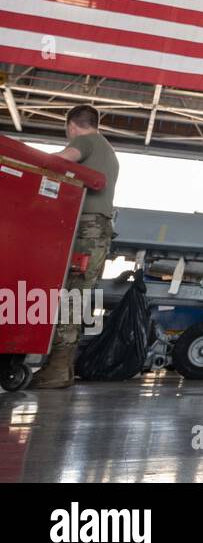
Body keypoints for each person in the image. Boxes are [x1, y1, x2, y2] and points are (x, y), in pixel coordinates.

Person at [32, 105, 120, 389]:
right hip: (99, 230)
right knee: (77, 294)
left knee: (70, 294)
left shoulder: (85, 141)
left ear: (71, 126)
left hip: (87, 228)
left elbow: (61, 160)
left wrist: (30, 162)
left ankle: (57, 369)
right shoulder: (108, 151)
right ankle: (62, 368)